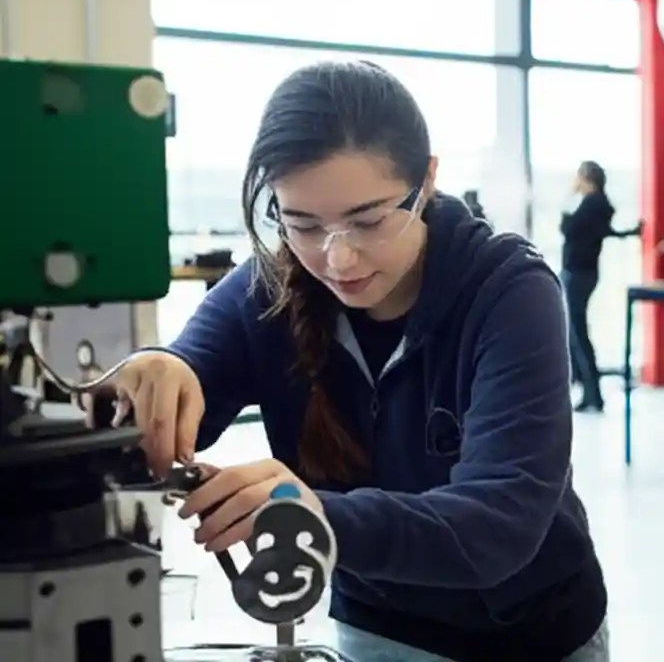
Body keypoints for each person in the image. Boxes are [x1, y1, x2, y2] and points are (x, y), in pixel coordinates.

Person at [104, 61, 609, 661]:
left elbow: (500, 523)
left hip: (535, 634)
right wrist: (155, 379)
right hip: (376, 628)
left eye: (368, 220)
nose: (338, 258)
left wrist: (313, 516)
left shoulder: (510, 291)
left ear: (426, 180)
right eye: (303, 224)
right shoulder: (265, 289)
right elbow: (187, 379)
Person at [559, 161, 640, 414]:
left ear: (586, 178)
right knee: (575, 332)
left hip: (578, 273)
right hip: (584, 272)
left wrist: (569, 198)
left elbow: (568, 228)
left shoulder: (591, 204)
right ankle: (588, 390)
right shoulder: (599, 205)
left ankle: (592, 392)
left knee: (578, 333)